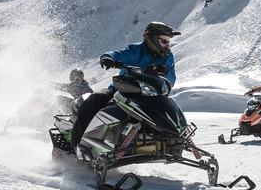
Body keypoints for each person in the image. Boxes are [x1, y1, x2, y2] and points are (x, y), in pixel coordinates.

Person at [67, 21, 180, 154]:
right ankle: (76, 145)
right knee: (94, 99)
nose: (167, 45)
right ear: (153, 39)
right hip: (122, 91)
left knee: (170, 108)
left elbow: (171, 78)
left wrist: (162, 77)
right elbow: (117, 54)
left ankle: (173, 140)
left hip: (152, 95)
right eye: (164, 41)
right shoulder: (136, 50)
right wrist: (108, 58)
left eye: (168, 41)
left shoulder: (167, 57)